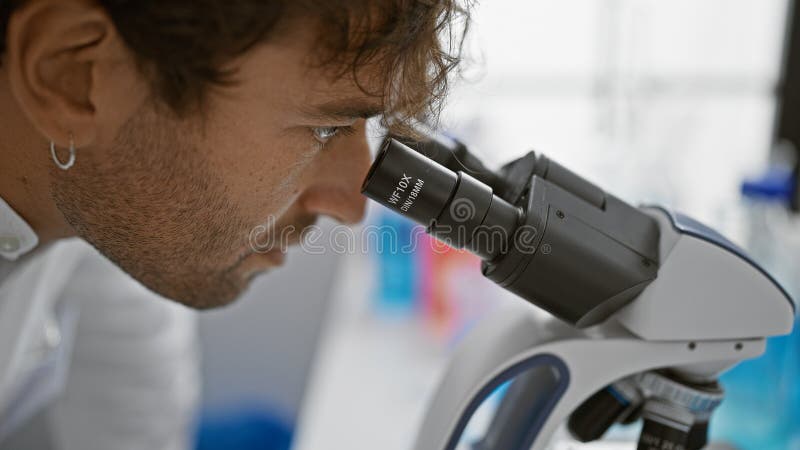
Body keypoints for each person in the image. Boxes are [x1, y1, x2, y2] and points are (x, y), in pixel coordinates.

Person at [0, 1, 469, 448]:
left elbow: (137, 411)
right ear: (72, 78)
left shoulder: (101, 204)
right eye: (325, 129)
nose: (350, 207)